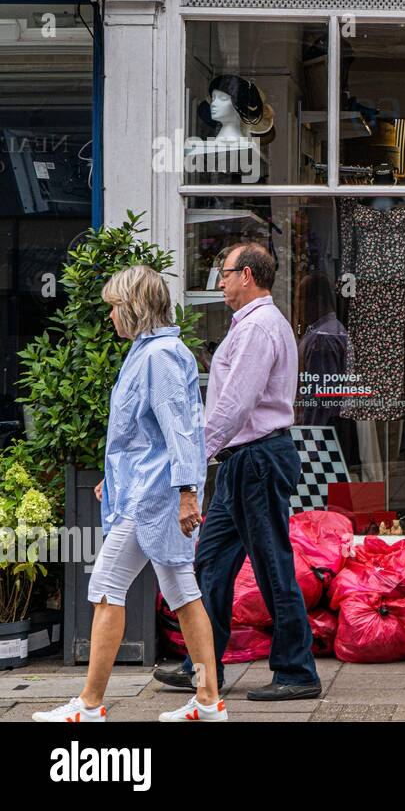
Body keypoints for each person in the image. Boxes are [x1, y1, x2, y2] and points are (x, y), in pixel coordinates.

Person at [34, 266, 224, 722]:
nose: (112, 316)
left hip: (152, 500)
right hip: (151, 492)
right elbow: (148, 434)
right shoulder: (156, 352)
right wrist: (114, 478)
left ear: (135, 308)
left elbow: (179, 432)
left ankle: (90, 704)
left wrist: (186, 493)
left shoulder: (157, 356)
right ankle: (207, 699)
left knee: (105, 589)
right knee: (183, 594)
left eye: (116, 307)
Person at [153, 243, 321, 700]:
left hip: (256, 459)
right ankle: (203, 666)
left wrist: (195, 457)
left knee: (272, 566)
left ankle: (296, 672)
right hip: (243, 461)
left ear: (246, 275)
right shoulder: (253, 325)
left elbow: (235, 404)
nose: (220, 282)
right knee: (211, 561)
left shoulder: (259, 328)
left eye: (224, 274)